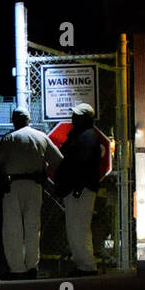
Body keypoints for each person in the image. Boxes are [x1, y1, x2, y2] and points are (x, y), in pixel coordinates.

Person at [0, 109, 63, 278]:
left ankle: (17, 268)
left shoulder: (9, 138)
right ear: (29, 119)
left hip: (13, 186)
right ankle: (32, 267)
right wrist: (45, 172)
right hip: (35, 185)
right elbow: (59, 160)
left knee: (12, 228)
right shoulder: (41, 136)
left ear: (13, 120)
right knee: (33, 227)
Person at [52, 103, 102, 274]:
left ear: (86, 118)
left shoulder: (87, 137)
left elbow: (83, 165)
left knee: (79, 227)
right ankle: (82, 264)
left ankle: (87, 265)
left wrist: (78, 187)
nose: (73, 119)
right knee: (75, 228)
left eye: (77, 116)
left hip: (81, 189)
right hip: (76, 188)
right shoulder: (81, 135)